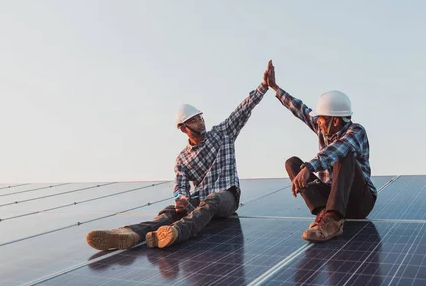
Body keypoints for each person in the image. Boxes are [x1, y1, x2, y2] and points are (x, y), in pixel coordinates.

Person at [85, 67, 269, 251]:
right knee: (169, 212)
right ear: (183, 128)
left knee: (213, 199)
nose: (201, 122)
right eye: (195, 120)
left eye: (201, 118)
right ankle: (129, 234)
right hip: (199, 201)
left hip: (227, 198)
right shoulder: (182, 159)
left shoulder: (222, 134)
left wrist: (263, 86)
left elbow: (243, 110)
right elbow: (179, 186)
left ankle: (175, 233)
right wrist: (180, 198)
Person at [264, 60, 376, 242]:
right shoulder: (323, 127)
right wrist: (275, 88)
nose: (319, 122)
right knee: (292, 163)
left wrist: (309, 168)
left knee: (342, 156)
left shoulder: (356, 131)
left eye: (322, 119)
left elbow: (336, 150)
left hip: (359, 201)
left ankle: (333, 220)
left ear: (336, 121)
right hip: (333, 194)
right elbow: (300, 109)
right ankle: (324, 213)